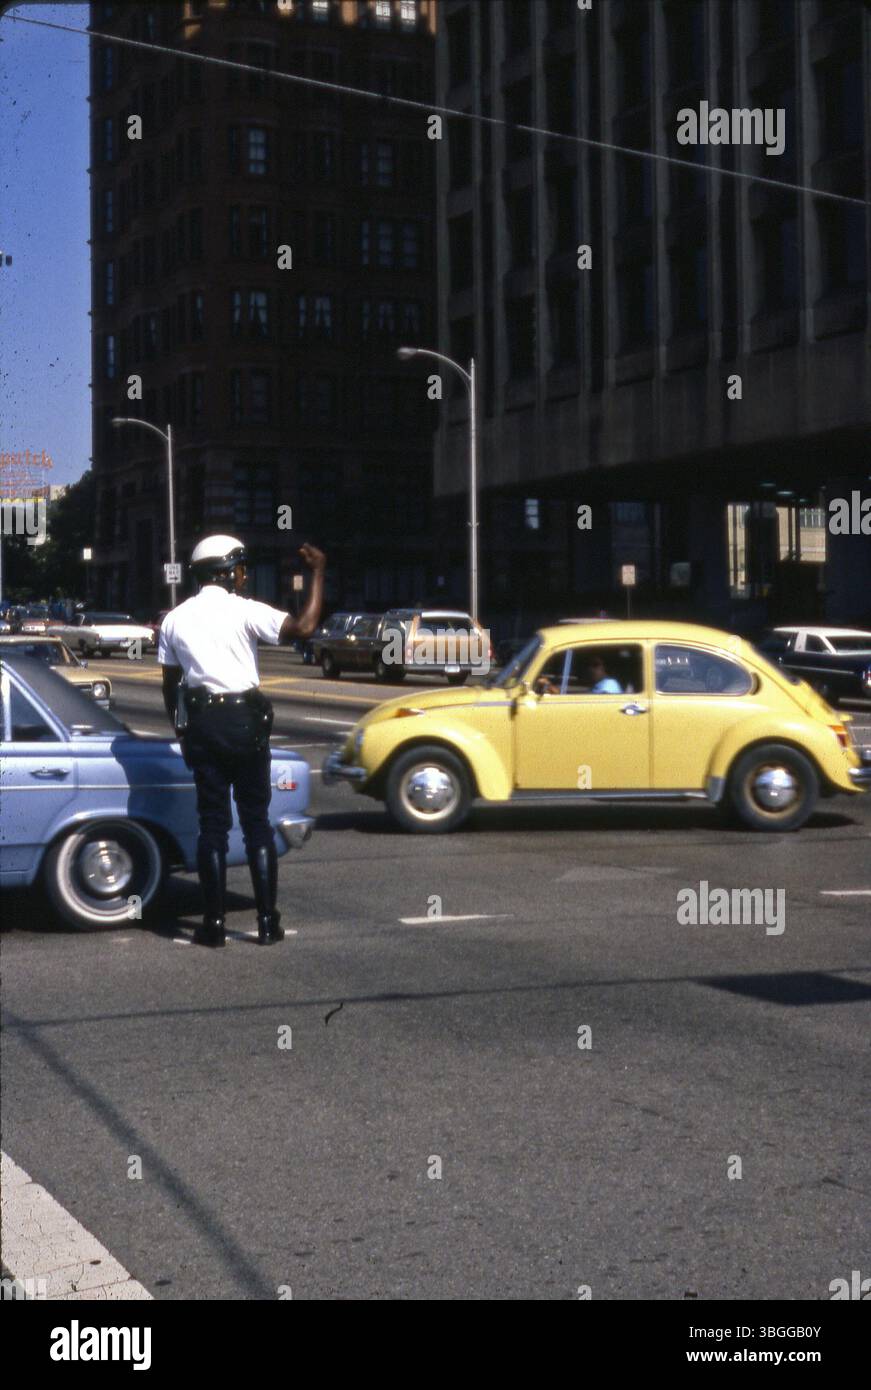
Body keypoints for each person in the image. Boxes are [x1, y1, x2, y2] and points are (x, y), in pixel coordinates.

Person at [158, 535, 325, 948]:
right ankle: (268, 922)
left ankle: (213, 926)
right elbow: (304, 627)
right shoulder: (245, 611)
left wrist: (183, 730)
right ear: (225, 571)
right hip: (246, 722)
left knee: (211, 827)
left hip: (203, 723)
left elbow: (170, 686)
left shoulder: (174, 619)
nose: (244, 575)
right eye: (240, 568)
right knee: (256, 824)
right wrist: (318, 571)